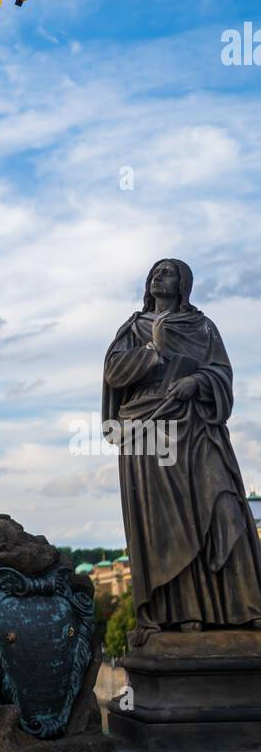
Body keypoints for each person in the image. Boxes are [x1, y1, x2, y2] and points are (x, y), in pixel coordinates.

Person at [102, 258, 261, 643]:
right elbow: (113, 372)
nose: (159, 276)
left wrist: (197, 381)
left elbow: (222, 374)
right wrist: (152, 351)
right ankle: (182, 612)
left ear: (183, 284)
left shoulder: (203, 327)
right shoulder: (134, 327)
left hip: (197, 424)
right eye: (155, 272)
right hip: (147, 429)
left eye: (168, 272)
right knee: (166, 522)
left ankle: (243, 606)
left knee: (223, 503)